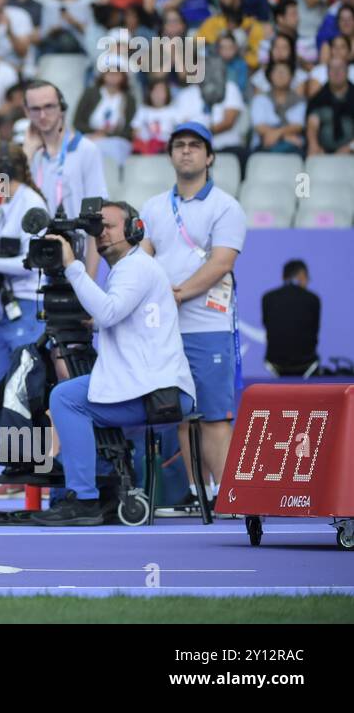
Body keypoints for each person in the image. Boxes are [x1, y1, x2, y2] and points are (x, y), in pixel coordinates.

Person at [30, 201, 195, 525]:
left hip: (157, 392)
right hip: (152, 385)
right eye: (97, 228)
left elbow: (107, 312)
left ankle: (84, 499)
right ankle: (100, 493)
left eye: (110, 226)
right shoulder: (132, 268)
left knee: (65, 398)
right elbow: (115, 316)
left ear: (135, 230)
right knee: (77, 396)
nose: (102, 233)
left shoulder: (135, 267)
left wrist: (72, 266)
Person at [140, 122, 246, 512]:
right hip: (165, 328)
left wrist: (178, 294)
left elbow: (222, 263)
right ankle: (198, 495)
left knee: (216, 415)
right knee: (183, 414)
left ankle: (232, 495)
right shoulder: (153, 206)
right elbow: (143, 255)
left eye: (195, 146)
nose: (186, 151)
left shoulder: (226, 206)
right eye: (179, 145)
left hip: (208, 325)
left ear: (210, 156)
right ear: (170, 155)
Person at [22, 79, 108, 277]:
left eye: (49, 107)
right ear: (26, 112)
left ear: (62, 108)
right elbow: (1, 198)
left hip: (77, 259)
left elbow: (96, 216)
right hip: (33, 264)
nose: (42, 115)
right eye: (35, 109)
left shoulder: (87, 149)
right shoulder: (20, 152)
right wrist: (24, 155)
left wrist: (91, 278)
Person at [0, 142, 47, 380]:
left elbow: (34, 261)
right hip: (4, 307)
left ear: (3, 172)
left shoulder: (31, 204)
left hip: (29, 305)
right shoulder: (6, 206)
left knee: (24, 391)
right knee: (1, 390)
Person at [261, 260, 321, 377]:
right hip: (307, 362)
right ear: (302, 275)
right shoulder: (313, 299)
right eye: (307, 278)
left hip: (274, 362)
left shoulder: (267, 298)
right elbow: (315, 329)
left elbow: (266, 324)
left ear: (283, 277)